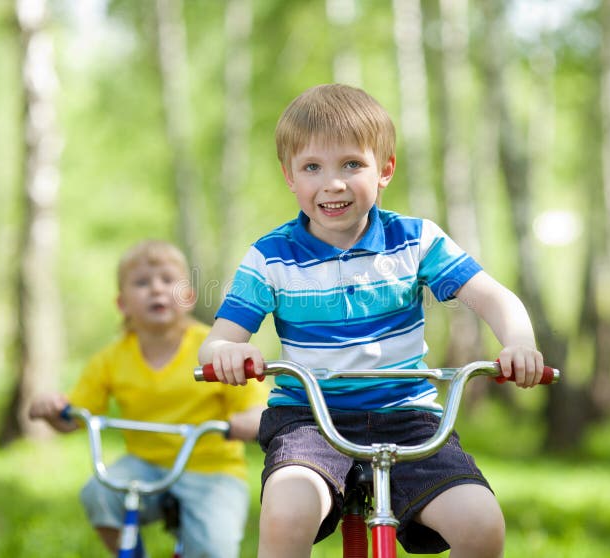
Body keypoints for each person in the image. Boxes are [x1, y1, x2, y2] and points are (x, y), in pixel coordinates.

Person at [198, 84, 545, 558]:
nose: (333, 183)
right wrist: (229, 353)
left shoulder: (415, 240)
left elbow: (495, 298)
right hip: (309, 420)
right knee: (287, 512)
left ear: (385, 170)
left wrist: (519, 342)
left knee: (481, 524)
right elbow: (216, 342)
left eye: (352, 165)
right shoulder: (270, 258)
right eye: (313, 167)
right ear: (290, 177)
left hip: (411, 418)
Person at [29, 239, 267, 558]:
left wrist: (245, 422)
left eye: (168, 281)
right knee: (99, 493)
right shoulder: (111, 358)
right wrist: (52, 411)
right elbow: (75, 417)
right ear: (122, 303)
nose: (156, 290)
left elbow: (257, 410)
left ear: (187, 296)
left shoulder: (215, 348)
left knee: (213, 547)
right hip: (144, 465)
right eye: (141, 283)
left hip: (212, 468)